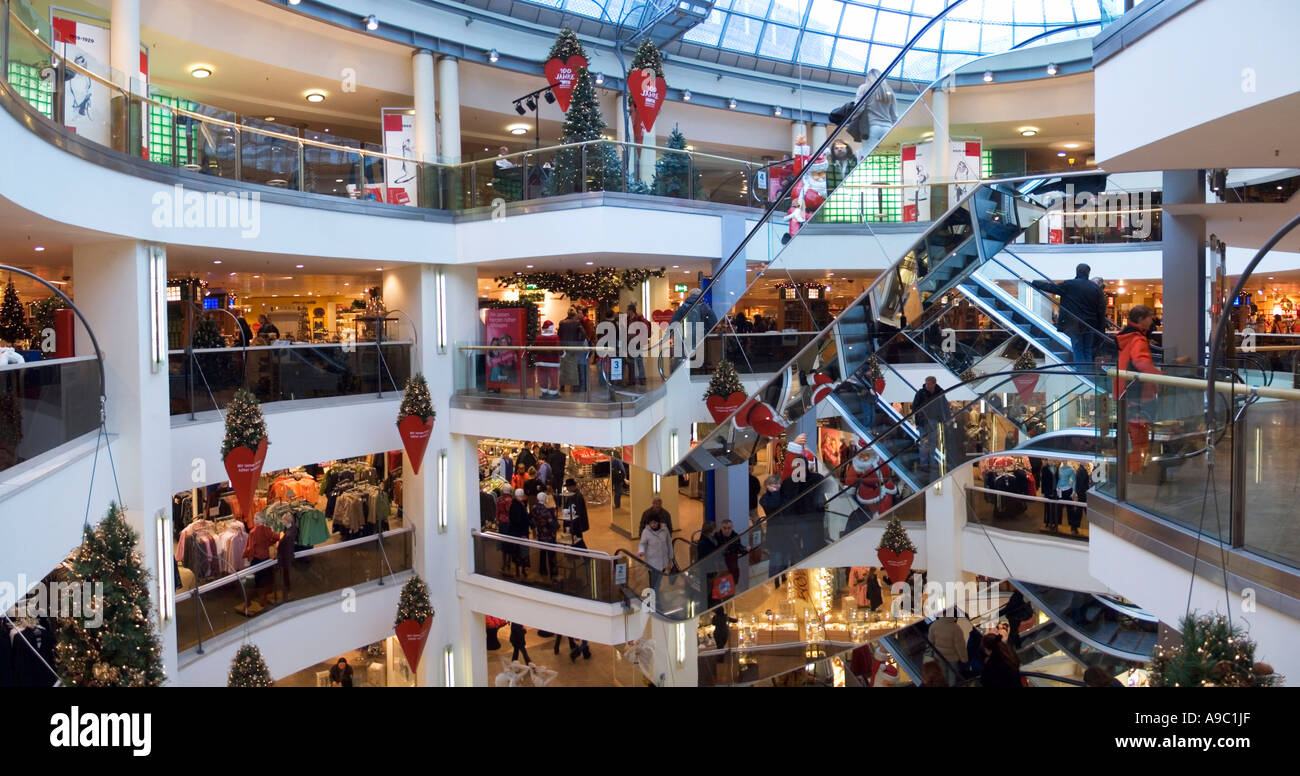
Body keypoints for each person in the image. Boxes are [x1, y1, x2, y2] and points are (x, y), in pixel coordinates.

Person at [1114, 304, 1165, 474]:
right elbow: (1142, 363)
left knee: (1131, 436)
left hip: (1126, 392)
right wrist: (1162, 376)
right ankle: (1135, 473)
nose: (1153, 320)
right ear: (1141, 319)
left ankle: (1131, 470)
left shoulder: (1127, 337)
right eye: (1150, 317)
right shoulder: (1138, 339)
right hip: (1139, 394)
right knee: (1139, 439)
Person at [1026, 263, 1107, 367]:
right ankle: (1088, 373)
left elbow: (1050, 287)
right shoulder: (1095, 288)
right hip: (1090, 324)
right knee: (1087, 349)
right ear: (1088, 272)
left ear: (1077, 271)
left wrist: (1032, 282)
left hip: (1074, 323)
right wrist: (1101, 329)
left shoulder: (1069, 284)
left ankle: (1082, 375)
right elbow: (1101, 309)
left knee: (1078, 349)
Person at [912, 376, 952, 472]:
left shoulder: (940, 393)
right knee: (924, 444)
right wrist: (917, 422)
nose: (927, 385)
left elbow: (945, 407)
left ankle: (932, 463)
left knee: (933, 443)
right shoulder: (921, 393)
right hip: (923, 422)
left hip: (935, 421)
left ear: (934, 383)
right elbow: (915, 408)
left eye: (929, 383)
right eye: (926, 383)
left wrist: (947, 420)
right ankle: (924, 464)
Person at [638, 512, 673, 595]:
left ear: (658, 522)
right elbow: (642, 543)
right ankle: (654, 594)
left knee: (659, 578)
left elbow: (669, 543)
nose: (653, 525)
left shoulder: (665, 530)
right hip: (652, 562)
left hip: (663, 560)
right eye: (651, 523)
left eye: (655, 522)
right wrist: (641, 551)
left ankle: (655, 592)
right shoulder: (646, 532)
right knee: (653, 581)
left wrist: (670, 557)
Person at [928, 614, 968, 686]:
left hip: (939, 656)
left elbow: (930, 642)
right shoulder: (956, 628)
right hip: (952, 657)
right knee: (952, 677)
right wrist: (964, 659)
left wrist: (931, 655)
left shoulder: (934, 625)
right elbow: (960, 646)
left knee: (942, 676)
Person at [530, 492, 559, 579]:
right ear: (545, 499)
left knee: (542, 553)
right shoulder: (546, 511)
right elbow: (553, 524)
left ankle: (542, 571)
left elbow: (531, 519)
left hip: (540, 534)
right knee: (551, 555)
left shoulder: (534, 508)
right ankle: (553, 573)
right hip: (549, 536)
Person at [558, 308, 586, 394]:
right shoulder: (577, 323)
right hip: (574, 347)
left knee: (564, 367)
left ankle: (562, 386)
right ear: (574, 315)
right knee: (574, 367)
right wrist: (579, 341)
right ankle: (575, 386)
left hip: (564, 347)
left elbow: (559, 334)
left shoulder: (561, 322)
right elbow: (583, 334)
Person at [625, 303, 650, 387]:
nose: (626, 312)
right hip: (629, 342)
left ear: (631, 311)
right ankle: (632, 379)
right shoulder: (627, 319)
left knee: (639, 360)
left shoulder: (639, 318)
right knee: (631, 361)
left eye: (627, 310)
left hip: (637, 341)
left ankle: (642, 378)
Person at [534, 320, 561, 398]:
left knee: (542, 377)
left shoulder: (538, 337)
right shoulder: (555, 337)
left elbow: (535, 349)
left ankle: (544, 392)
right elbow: (558, 348)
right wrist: (563, 354)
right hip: (553, 361)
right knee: (553, 378)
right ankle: (553, 393)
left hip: (541, 362)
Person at [507, 489, 531, 576]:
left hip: (516, 532)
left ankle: (520, 570)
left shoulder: (515, 504)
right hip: (520, 533)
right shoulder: (518, 505)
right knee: (521, 552)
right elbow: (518, 520)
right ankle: (521, 570)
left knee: (518, 551)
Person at [560, 478, 589, 547]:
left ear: (572, 486)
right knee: (576, 541)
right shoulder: (573, 495)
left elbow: (578, 511)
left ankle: (586, 557)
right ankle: (581, 556)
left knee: (578, 541)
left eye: (568, 487)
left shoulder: (577, 496)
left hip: (576, 523)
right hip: (575, 523)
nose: (567, 488)